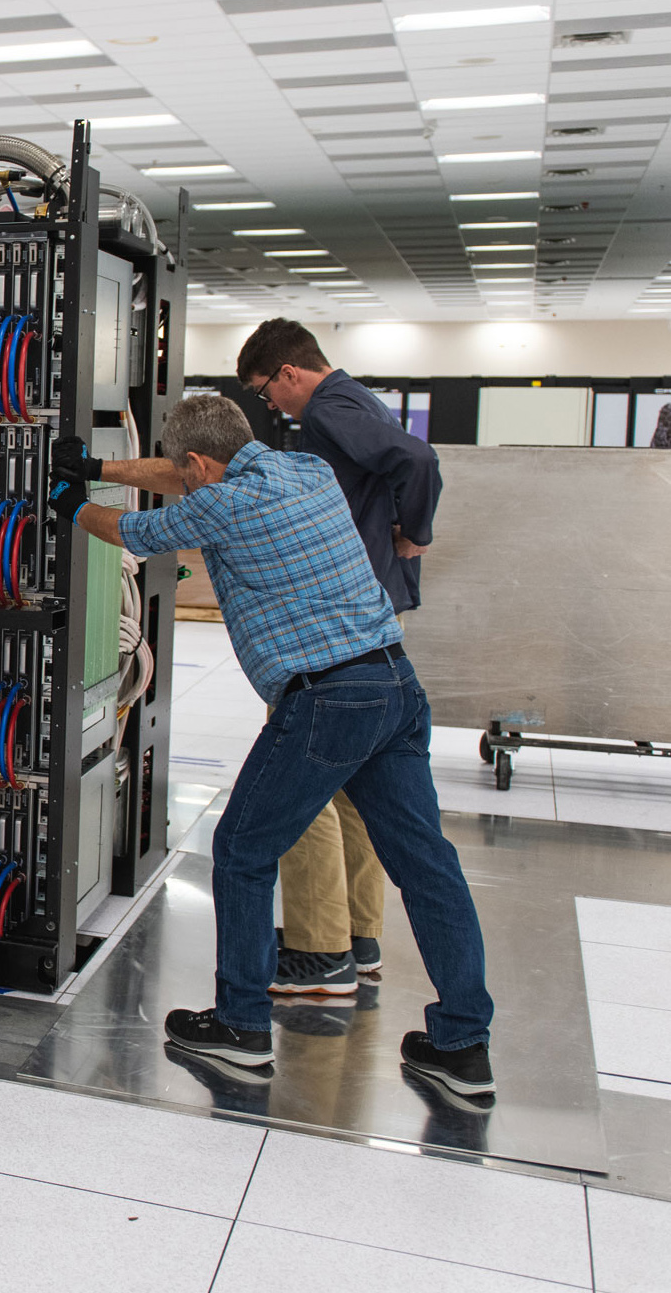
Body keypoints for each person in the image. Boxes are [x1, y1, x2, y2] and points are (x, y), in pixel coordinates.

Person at [49, 396, 494, 1097]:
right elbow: (179, 475)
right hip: (394, 684)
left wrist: (71, 501)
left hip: (326, 701)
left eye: (186, 470)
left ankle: (243, 1028)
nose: (182, 477)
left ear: (200, 463)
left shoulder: (218, 507)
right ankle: (464, 1045)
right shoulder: (306, 469)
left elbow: (132, 527)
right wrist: (100, 464)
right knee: (429, 865)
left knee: (243, 849)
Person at [236, 319, 443, 998]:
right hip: (366, 624)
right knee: (354, 786)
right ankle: (356, 935)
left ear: (290, 374)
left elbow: (418, 460)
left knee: (301, 786)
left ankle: (316, 949)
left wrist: (414, 535)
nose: (274, 407)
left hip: (326, 627)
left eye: (269, 393)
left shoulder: (330, 407)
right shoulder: (355, 400)